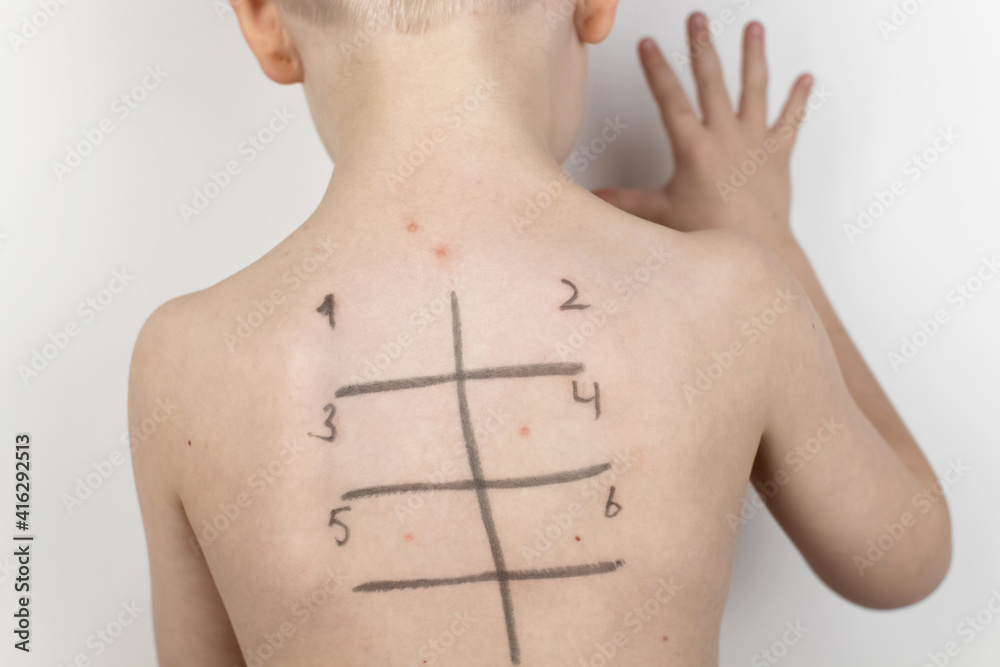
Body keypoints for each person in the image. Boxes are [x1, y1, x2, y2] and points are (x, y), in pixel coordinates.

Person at [129, 1, 952, 665]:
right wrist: (769, 240)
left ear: (265, 24)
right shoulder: (730, 296)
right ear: (593, 6)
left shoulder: (184, 363)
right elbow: (903, 556)